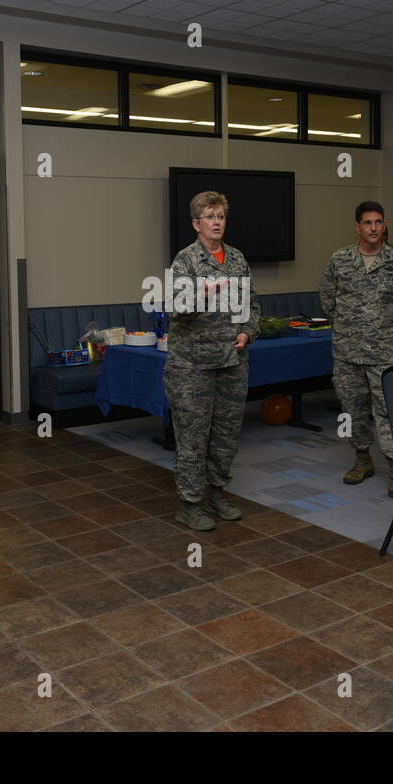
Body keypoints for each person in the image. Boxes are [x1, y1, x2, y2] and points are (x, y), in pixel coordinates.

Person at [164, 191, 260, 531]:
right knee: (193, 437)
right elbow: (172, 307)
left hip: (232, 362)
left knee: (226, 435)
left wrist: (248, 332)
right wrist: (203, 291)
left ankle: (217, 492)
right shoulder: (184, 261)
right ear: (196, 223)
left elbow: (252, 306)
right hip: (192, 368)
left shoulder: (236, 259)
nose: (216, 222)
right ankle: (189, 504)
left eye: (220, 216)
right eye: (209, 216)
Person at [320, 201, 393, 500]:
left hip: (384, 352)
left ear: (384, 225)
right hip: (347, 351)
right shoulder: (339, 259)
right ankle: (362, 458)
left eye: (379, 222)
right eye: (367, 223)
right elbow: (327, 297)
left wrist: (390, 331)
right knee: (352, 408)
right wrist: (345, 325)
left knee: (389, 409)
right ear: (357, 227)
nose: (374, 228)